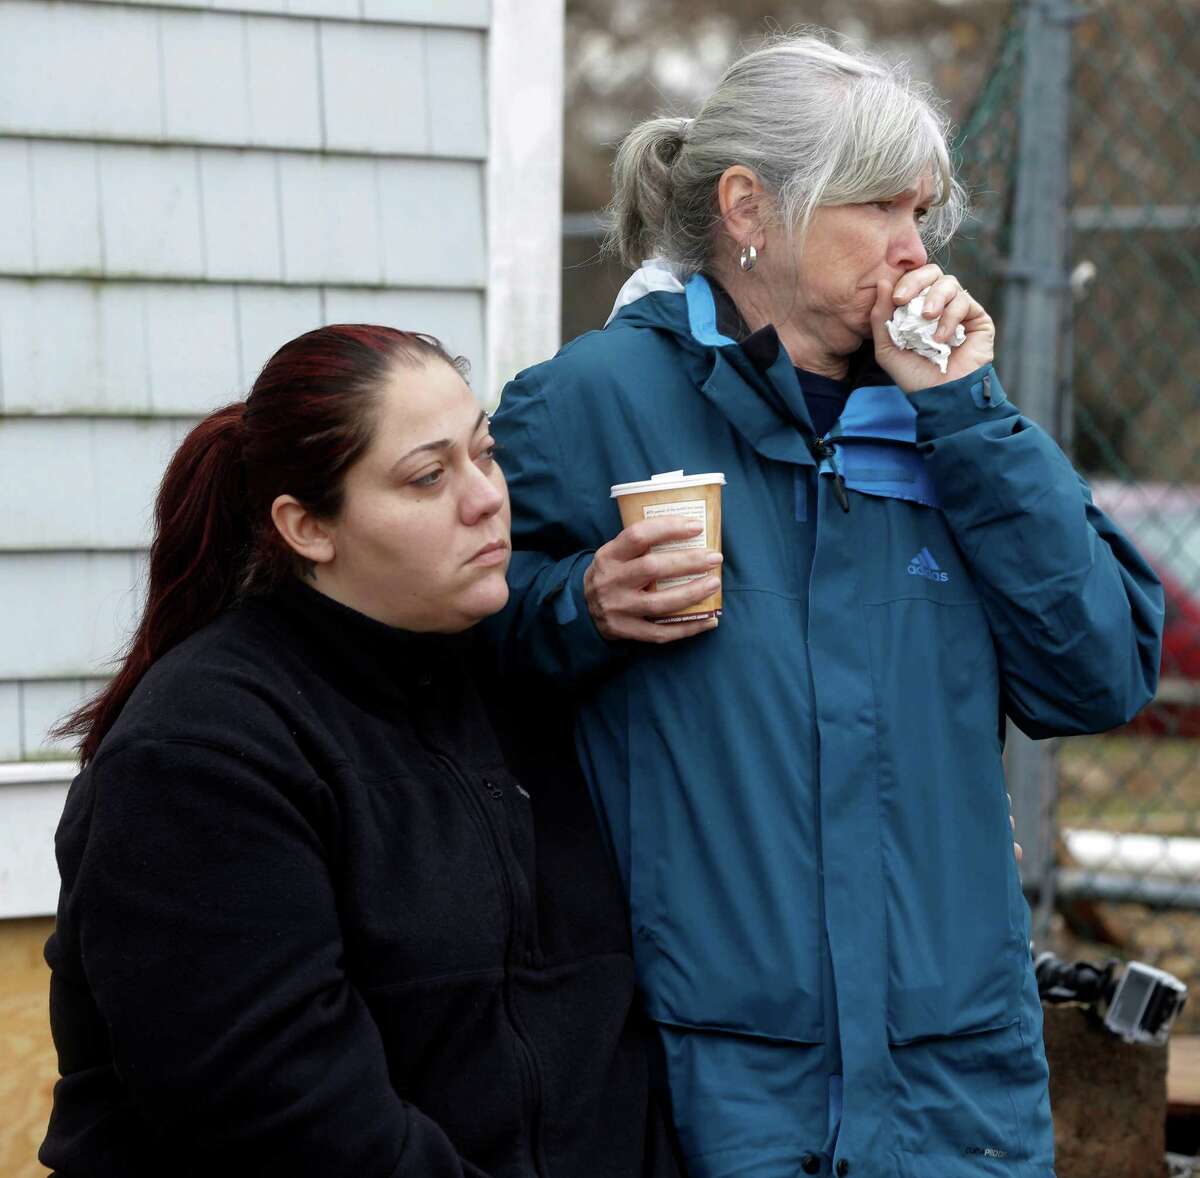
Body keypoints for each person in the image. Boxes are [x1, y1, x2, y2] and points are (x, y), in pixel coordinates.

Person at [485, 32, 1165, 1178]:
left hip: (957, 1074)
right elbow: (446, 659)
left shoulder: (953, 412)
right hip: (709, 1071)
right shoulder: (584, 406)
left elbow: (1096, 670)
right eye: (880, 211)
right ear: (751, 206)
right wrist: (576, 604)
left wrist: (975, 422)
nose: (915, 252)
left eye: (924, 214)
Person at [39, 325, 681, 1178]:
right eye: (428, 476)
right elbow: (278, 1112)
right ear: (307, 527)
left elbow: (598, 1049)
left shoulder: (517, 688)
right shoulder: (200, 750)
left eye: (483, 454)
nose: (488, 498)